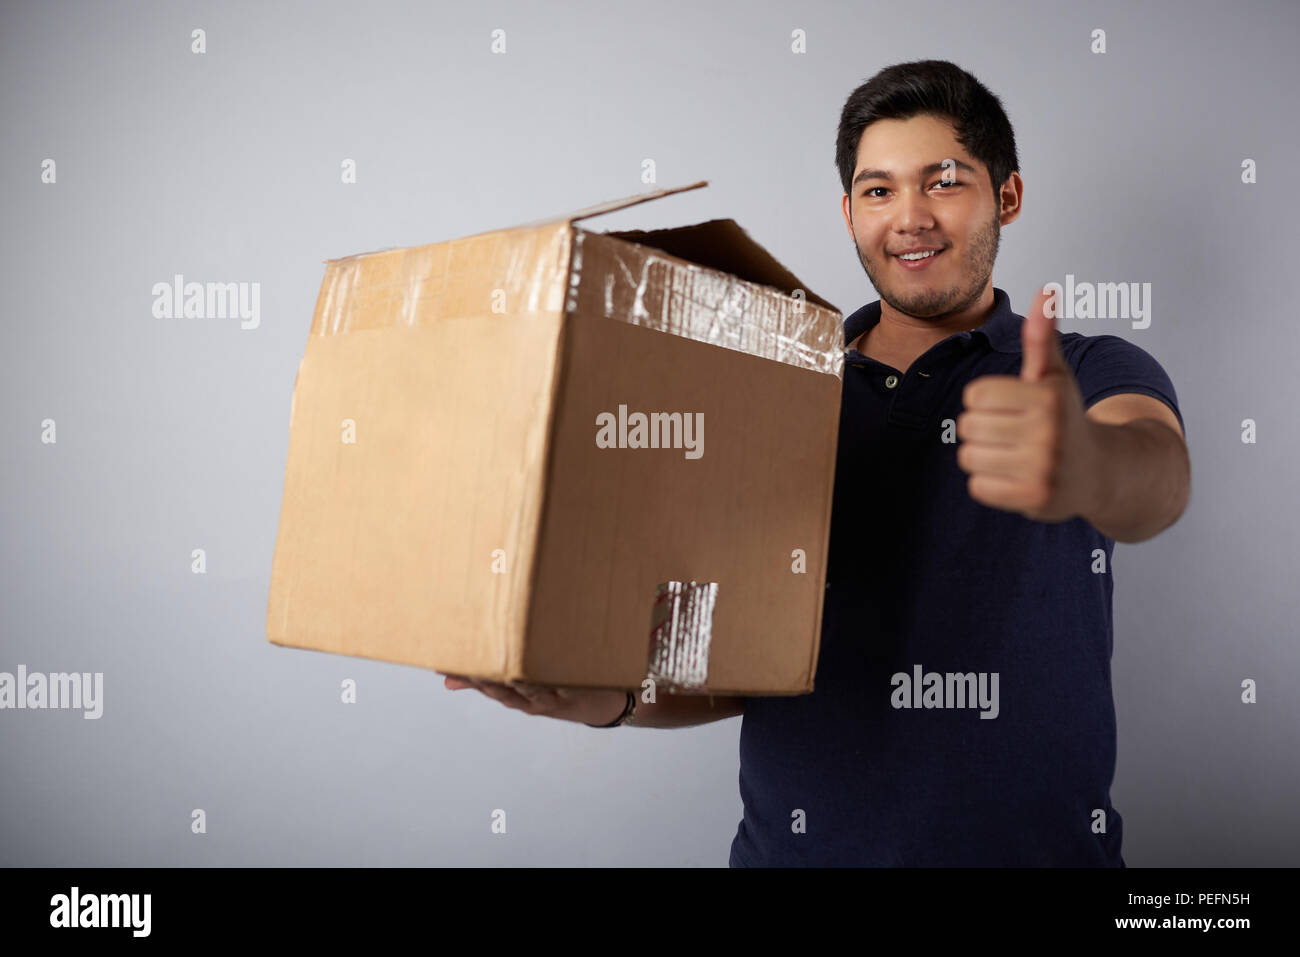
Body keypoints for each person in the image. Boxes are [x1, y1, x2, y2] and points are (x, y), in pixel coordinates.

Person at [442, 59, 1190, 867]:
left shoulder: (1089, 369)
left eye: (943, 182)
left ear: (1006, 195)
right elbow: (751, 655)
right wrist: (620, 698)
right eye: (878, 190)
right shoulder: (774, 391)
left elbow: (1156, 477)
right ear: (848, 211)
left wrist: (1086, 466)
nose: (910, 218)